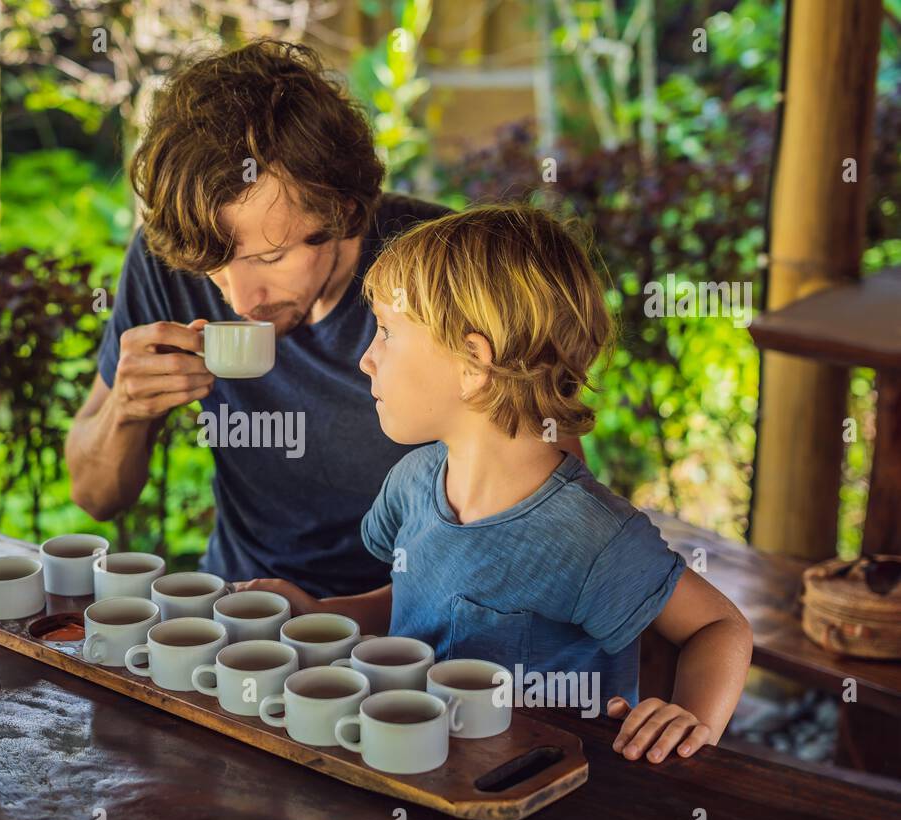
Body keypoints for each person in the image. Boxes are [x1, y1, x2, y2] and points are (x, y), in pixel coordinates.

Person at [65, 38, 582, 597]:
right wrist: (125, 410)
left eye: (270, 257)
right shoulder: (172, 257)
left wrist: (336, 617)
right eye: (215, 267)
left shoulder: (446, 276)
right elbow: (95, 496)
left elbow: (552, 515)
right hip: (243, 613)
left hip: (425, 625)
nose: (239, 300)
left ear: (347, 211)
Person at [238, 205, 754, 762]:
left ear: (472, 363)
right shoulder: (412, 484)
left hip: (544, 798)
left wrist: (689, 723)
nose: (366, 359)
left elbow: (720, 627)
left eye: (387, 331)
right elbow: (415, 609)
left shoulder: (590, 535)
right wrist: (317, 614)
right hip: (424, 771)